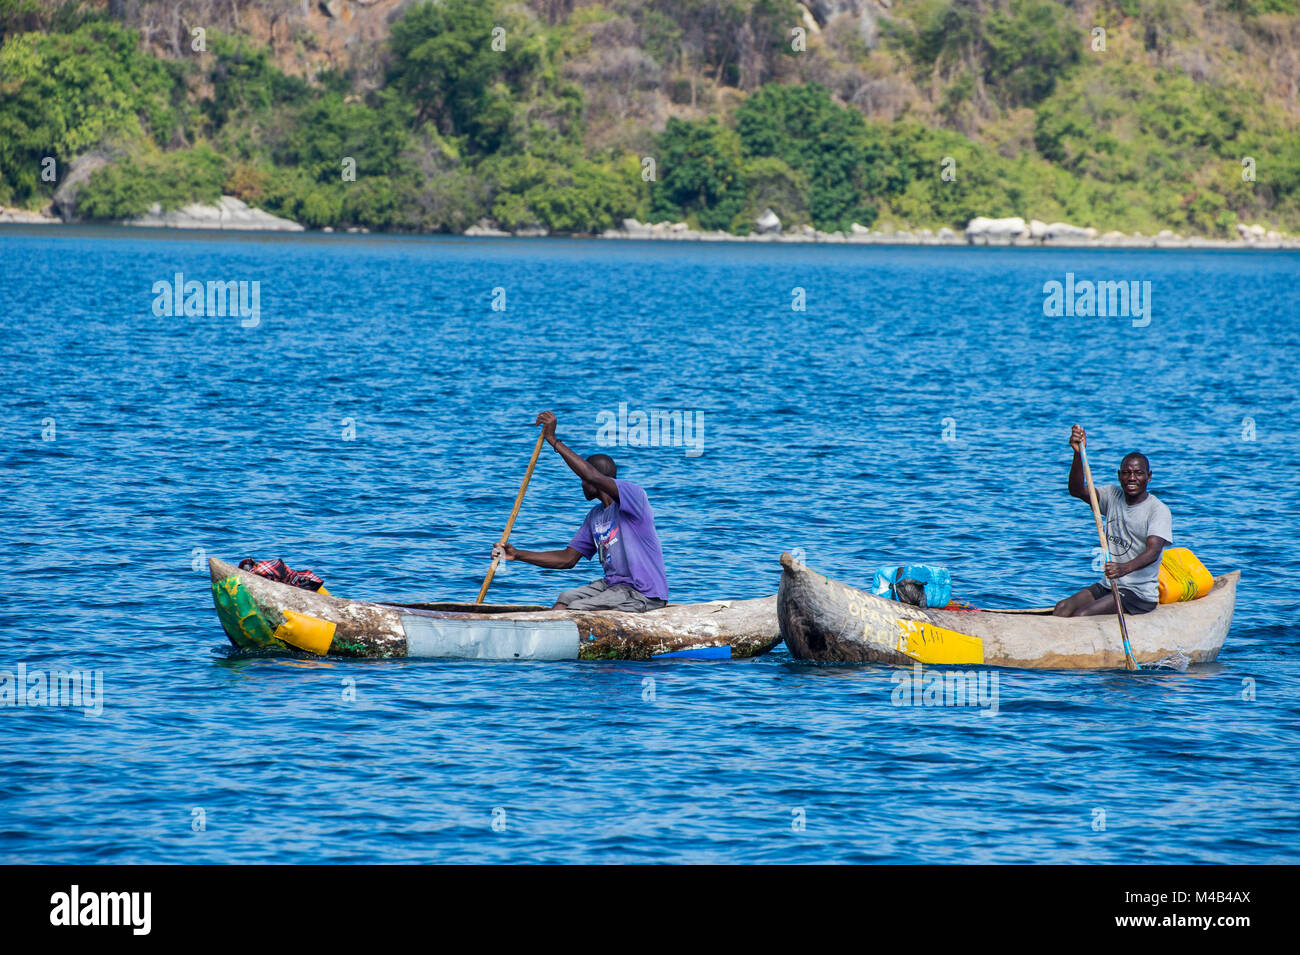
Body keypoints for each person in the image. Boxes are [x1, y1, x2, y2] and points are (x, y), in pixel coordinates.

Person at [491, 411, 669, 612]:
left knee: (577, 607)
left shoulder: (633, 497)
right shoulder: (595, 516)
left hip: (641, 593)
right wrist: (518, 555)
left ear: (593, 480)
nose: (582, 485)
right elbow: (567, 559)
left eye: (583, 480)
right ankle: (546, 637)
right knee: (566, 598)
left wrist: (553, 441)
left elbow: (590, 475)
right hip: (612, 587)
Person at [1053, 425, 1172, 617]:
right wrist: (1077, 454)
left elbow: (1153, 552)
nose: (1131, 478)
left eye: (1138, 473)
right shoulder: (1112, 495)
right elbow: (1077, 490)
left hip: (1138, 594)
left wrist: (1123, 568)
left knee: (1081, 616)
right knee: (1062, 609)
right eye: (1126, 473)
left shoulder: (1158, 510)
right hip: (1110, 585)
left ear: (1148, 477)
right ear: (1119, 476)